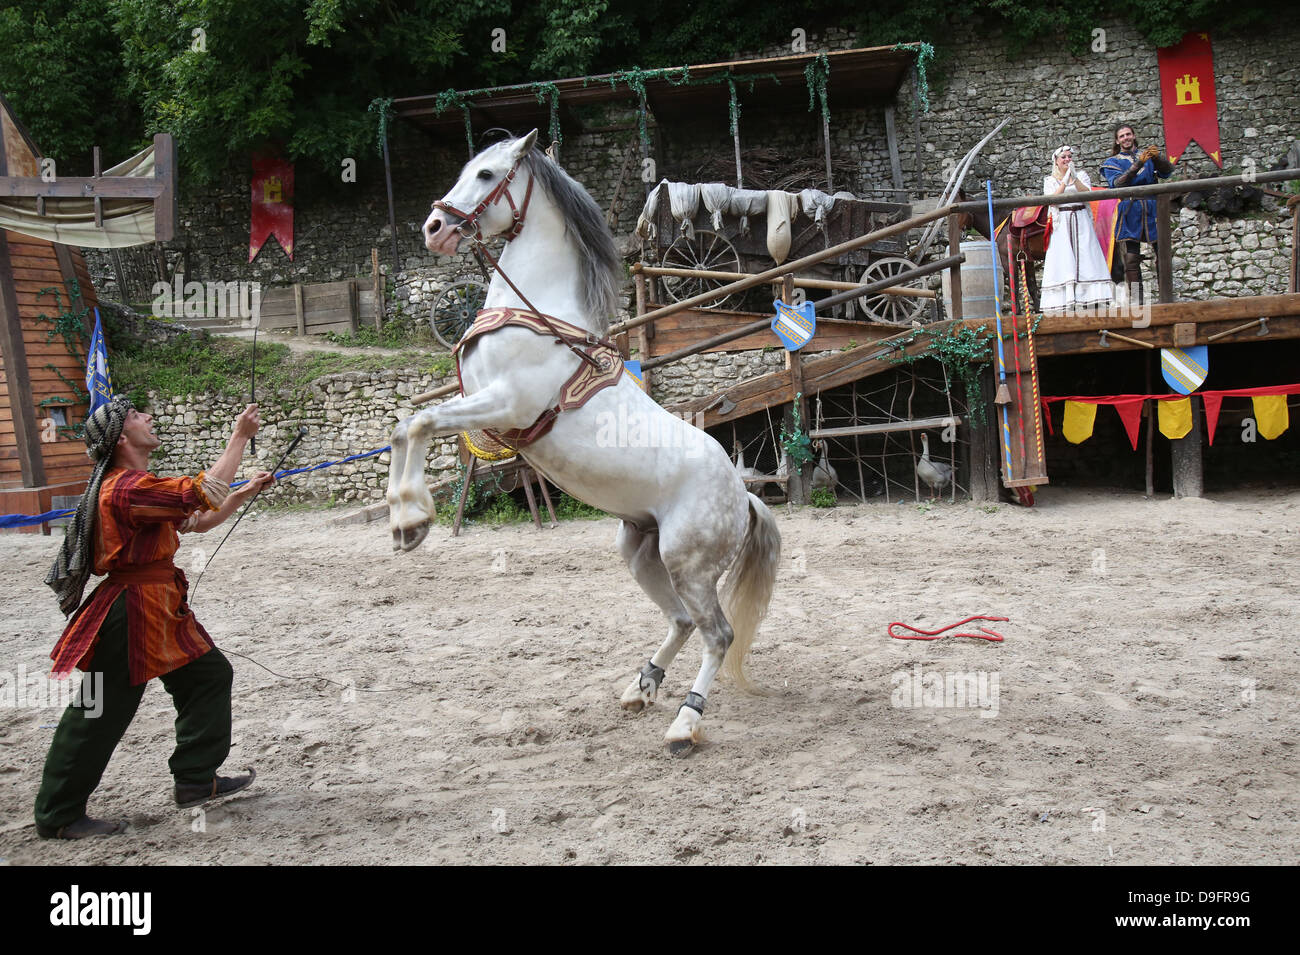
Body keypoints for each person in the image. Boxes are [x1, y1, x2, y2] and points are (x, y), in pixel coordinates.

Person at [35, 396, 274, 839]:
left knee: (208, 676)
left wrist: (243, 492)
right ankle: (58, 814)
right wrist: (240, 436)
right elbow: (202, 492)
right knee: (99, 711)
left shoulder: (137, 485)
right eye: (136, 415)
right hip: (130, 610)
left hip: (159, 604)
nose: (148, 417)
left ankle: (196, 779)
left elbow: (196, 520)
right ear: (122, 437)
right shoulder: (125, 488)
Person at [1100, 124, 1175, 303]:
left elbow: (1167, 172)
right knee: (1131, 258)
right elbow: (1118, 184)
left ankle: (1166, 297)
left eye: (1128, 134)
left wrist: (1157, 159)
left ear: (1133, 136)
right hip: (1130, 208)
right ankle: (1137, 300)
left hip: (1152, 207)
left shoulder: (1148, 156)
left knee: (1162, 253)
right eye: (1122, 136)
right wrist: (1139, 163)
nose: (1126, 138)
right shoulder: (1112, 162)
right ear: (1117, 141)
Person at [1040, 145, 1113, 312]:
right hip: (1063, 222)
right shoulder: (1050, 180)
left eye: (1069, 157)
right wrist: (1065, 181)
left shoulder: (1081, 176)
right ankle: (1066, 298)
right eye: (1063, 157)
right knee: (1064, 258)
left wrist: (1074, 178)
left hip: (1081, 219)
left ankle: (1090, 297)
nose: (1067, 160)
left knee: (1087, 254)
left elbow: (1087, 194)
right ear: (1056, 162)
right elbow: (1053, 200)